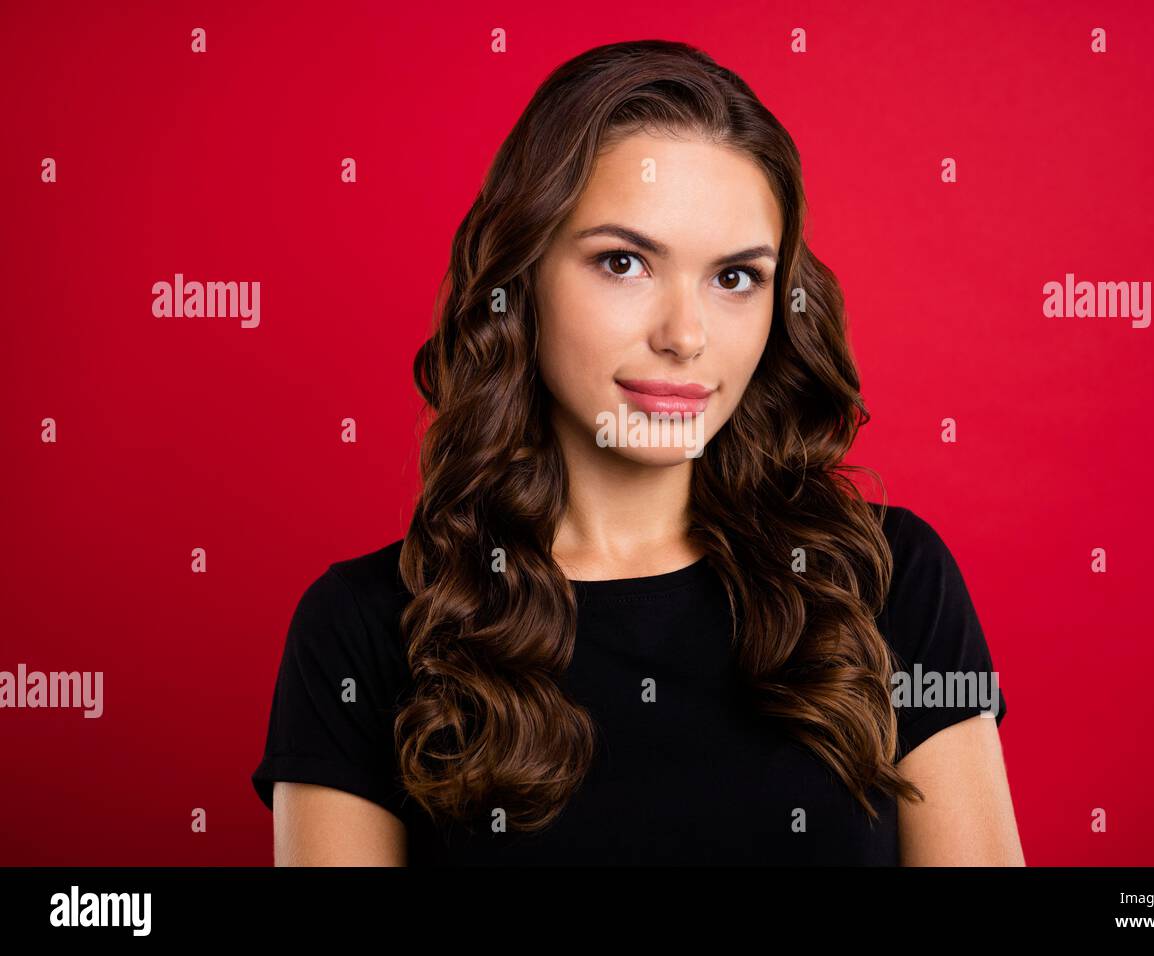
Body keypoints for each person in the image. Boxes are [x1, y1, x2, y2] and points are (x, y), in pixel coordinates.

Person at [251, 38, 1023, 866]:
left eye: (734, 278)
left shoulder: (888, 578)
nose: (685, 337)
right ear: (521, 277)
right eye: (624, 263)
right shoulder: (363, 628)